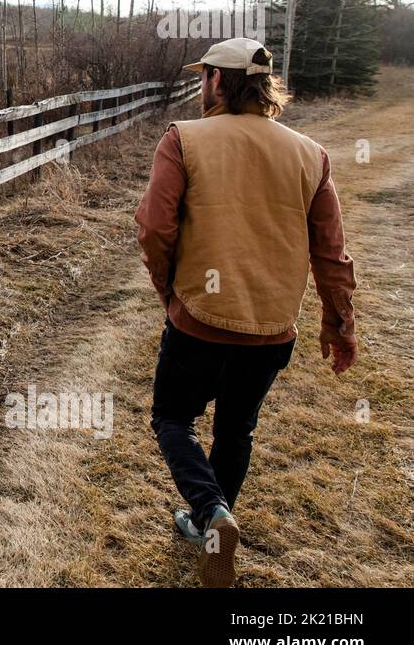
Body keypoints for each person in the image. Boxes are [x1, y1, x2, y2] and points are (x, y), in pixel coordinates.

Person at [134, 37, 357, 587]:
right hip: (272, 328)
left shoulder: (184, 139)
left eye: (206, 75)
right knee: (236, 431)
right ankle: (214, 528)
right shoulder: (311, 153)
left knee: (171, 418)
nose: (202, 84)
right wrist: (339, 323)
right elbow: (331, 251)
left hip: (200, 319)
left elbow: (154, 228)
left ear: (218, 81)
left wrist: (169, 291)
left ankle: (211, 512)